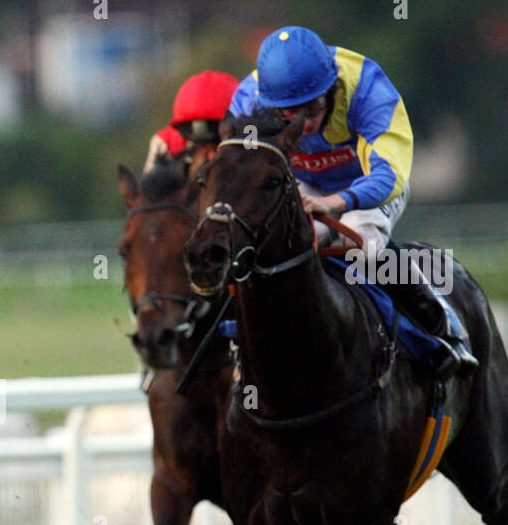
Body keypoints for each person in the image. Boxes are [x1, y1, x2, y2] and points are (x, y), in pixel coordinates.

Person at [228, 26, 476, 374]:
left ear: (332, 89)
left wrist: (335, 203)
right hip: (301, 184)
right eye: (290, 115)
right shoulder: (248, 99)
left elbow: (388, 177)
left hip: (369, 185)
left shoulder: (369, 90)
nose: (306, 122)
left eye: (312, 108)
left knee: (359, 243)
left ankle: (442, 328)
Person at [144, 70, 239, 173]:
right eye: (199, 143)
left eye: (216, 142)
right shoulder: (164, 145)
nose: (210, 156)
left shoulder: (251, 138)